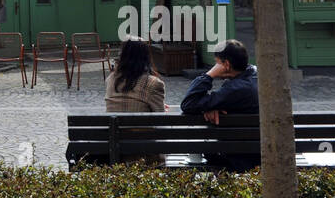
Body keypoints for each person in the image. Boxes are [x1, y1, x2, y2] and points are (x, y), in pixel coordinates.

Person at [179, 39, 260, 171]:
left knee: (207, 150)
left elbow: (189, 104)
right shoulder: (255, 76)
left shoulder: (235, 89)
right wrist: (213, 106)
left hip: (239, 159)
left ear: (226, 64)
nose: (214, 66)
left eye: (216, 63)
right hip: (259, 152)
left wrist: (209, 75)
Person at [105, 36, 166, 113]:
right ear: (145, 57)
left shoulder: (111, 79)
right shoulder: (154, 84)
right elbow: (161, 116)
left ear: (122, 56)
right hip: (140, 125)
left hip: (114, 124)